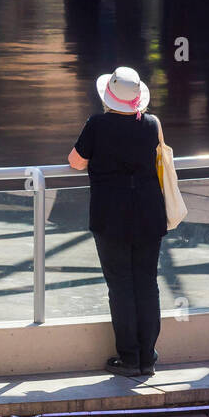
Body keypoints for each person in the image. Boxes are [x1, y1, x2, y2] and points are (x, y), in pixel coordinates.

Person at [68, 67, 169, 377]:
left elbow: (75, 161)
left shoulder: (97, 124)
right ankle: (147, 356)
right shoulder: (151, 124)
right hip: (149, 214)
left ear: (108, 98)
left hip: (110, 216)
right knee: (147, 283)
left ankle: (129, 357)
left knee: (121, 285)